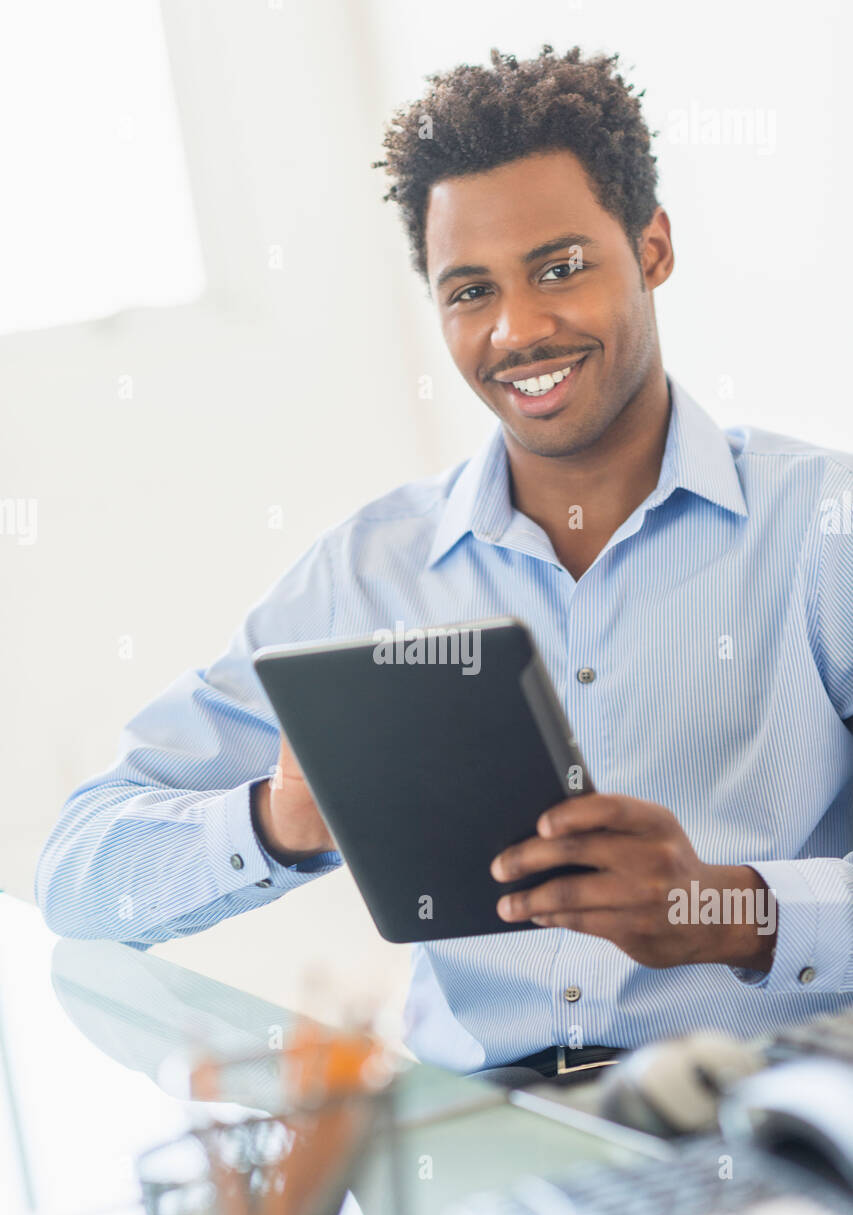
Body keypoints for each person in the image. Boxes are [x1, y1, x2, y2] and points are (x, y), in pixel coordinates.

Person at [36, 46, 852, 1081]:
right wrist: (278, 821)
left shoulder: (825, 526)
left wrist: (732, 910)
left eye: (560, 267)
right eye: (471, 290)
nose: (518, 328)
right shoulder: (369, 571)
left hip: (763, 1119)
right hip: (479, 1128)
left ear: (651, 249)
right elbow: (78, 872)